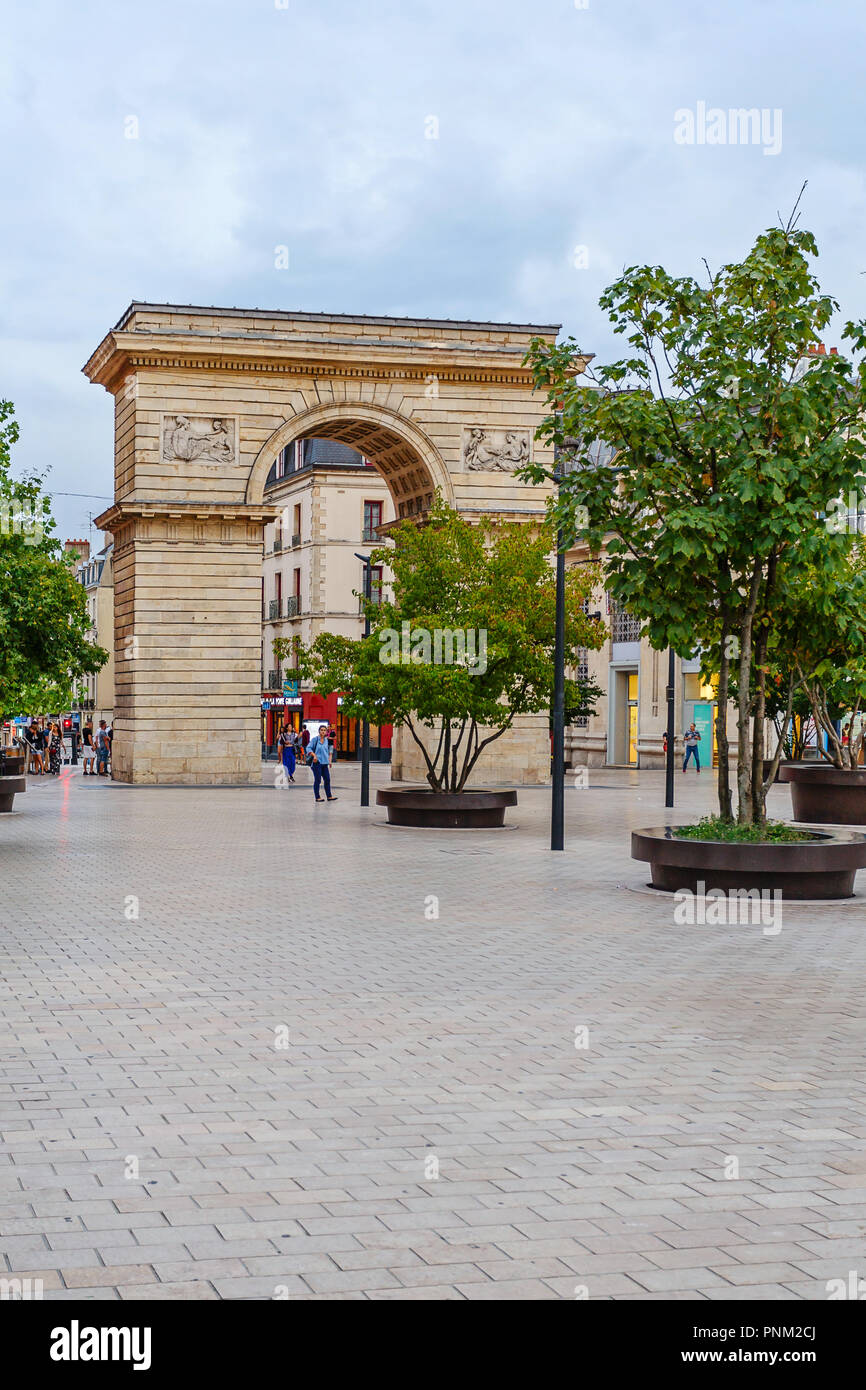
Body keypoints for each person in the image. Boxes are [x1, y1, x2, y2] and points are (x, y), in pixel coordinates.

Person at [307, 723, 337, 802]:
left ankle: (329, 796)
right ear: (319, 731)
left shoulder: (328, 741)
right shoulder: (315, 739)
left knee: (327, 779)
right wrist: (314, 755)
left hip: (325, 763)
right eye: (321, 730)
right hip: (316, 763)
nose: (323, 732)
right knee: (318, 780)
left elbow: (330, 752)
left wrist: (330, 762)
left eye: (324, 730)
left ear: (326, 732)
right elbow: (308, 748)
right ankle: (317, 797)